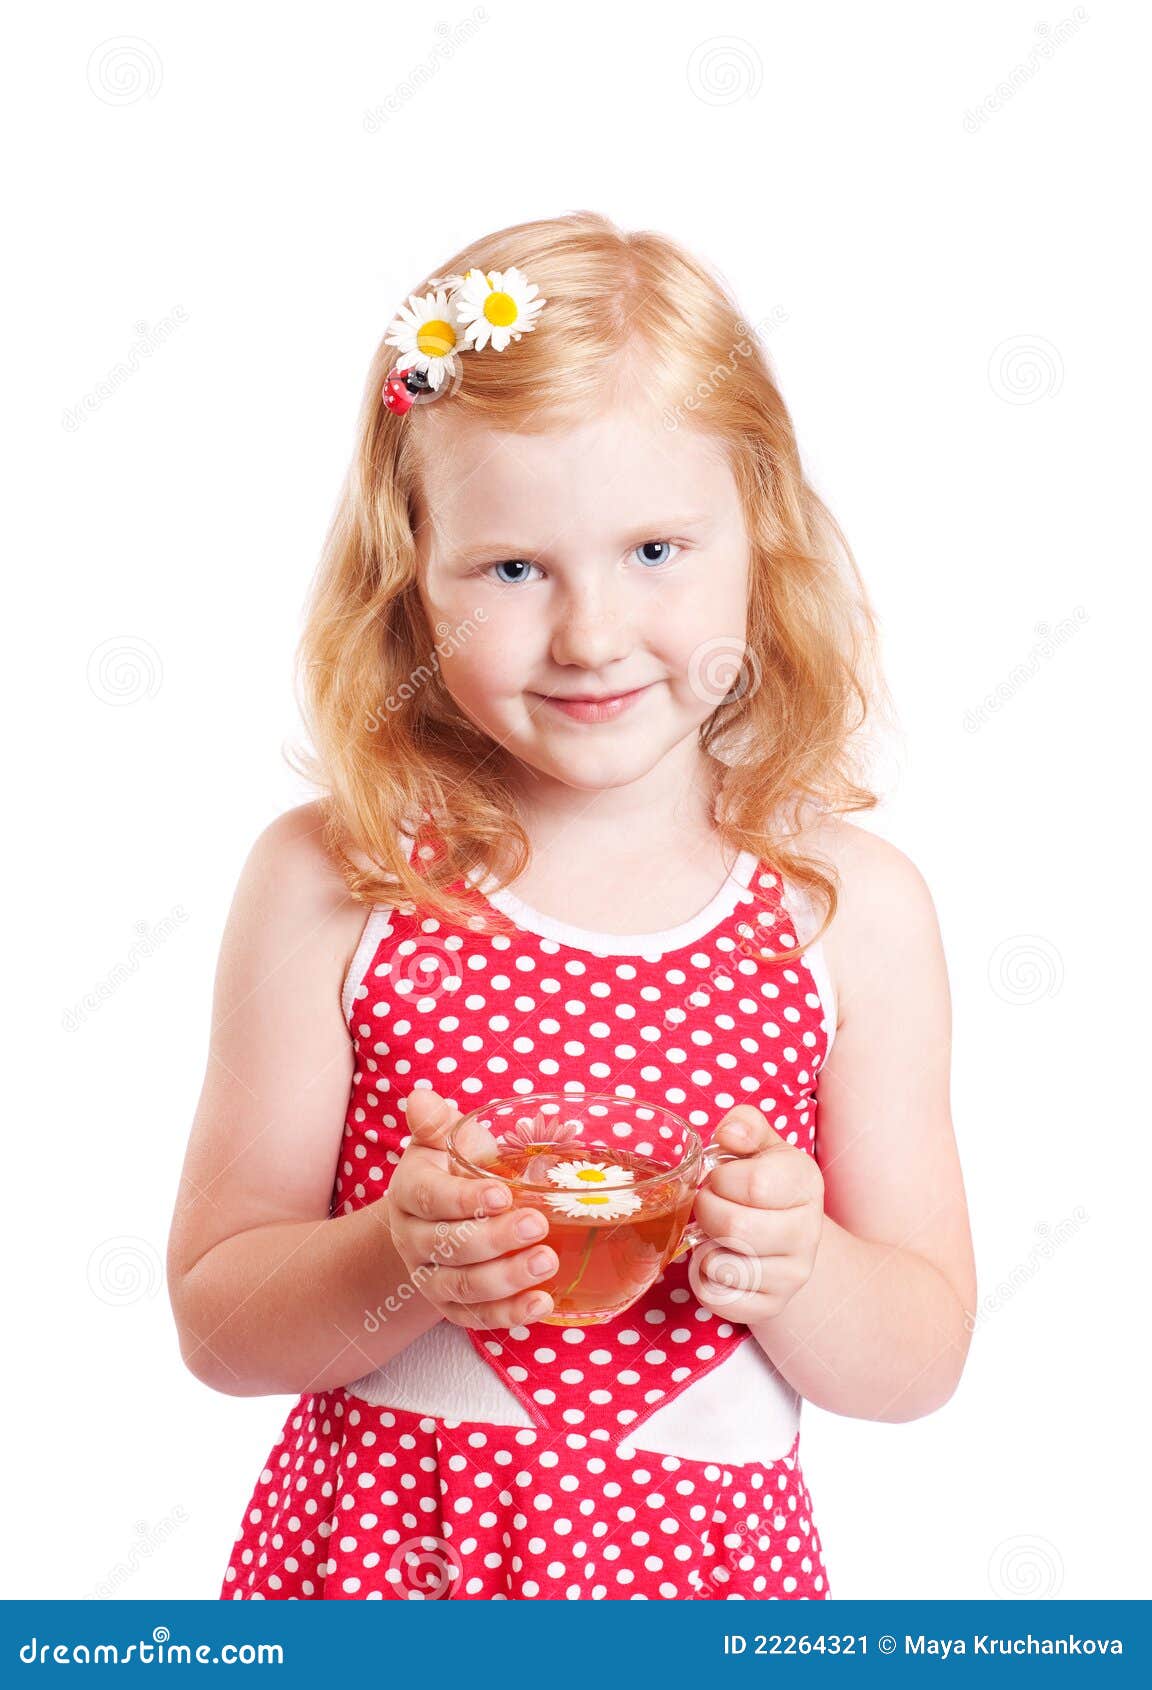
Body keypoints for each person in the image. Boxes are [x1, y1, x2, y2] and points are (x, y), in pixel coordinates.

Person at [166, 210, 975, 1601]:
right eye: (514, 569)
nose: (592, 631)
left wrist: (801, 1267)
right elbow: (219, 1322)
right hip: (377, 1577)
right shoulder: (336, 877)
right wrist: (397, 1257)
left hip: (701, 1596)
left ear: (760, 542)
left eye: (657, 550)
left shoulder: (848, 916)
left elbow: (921, 1354)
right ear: (410, 579)